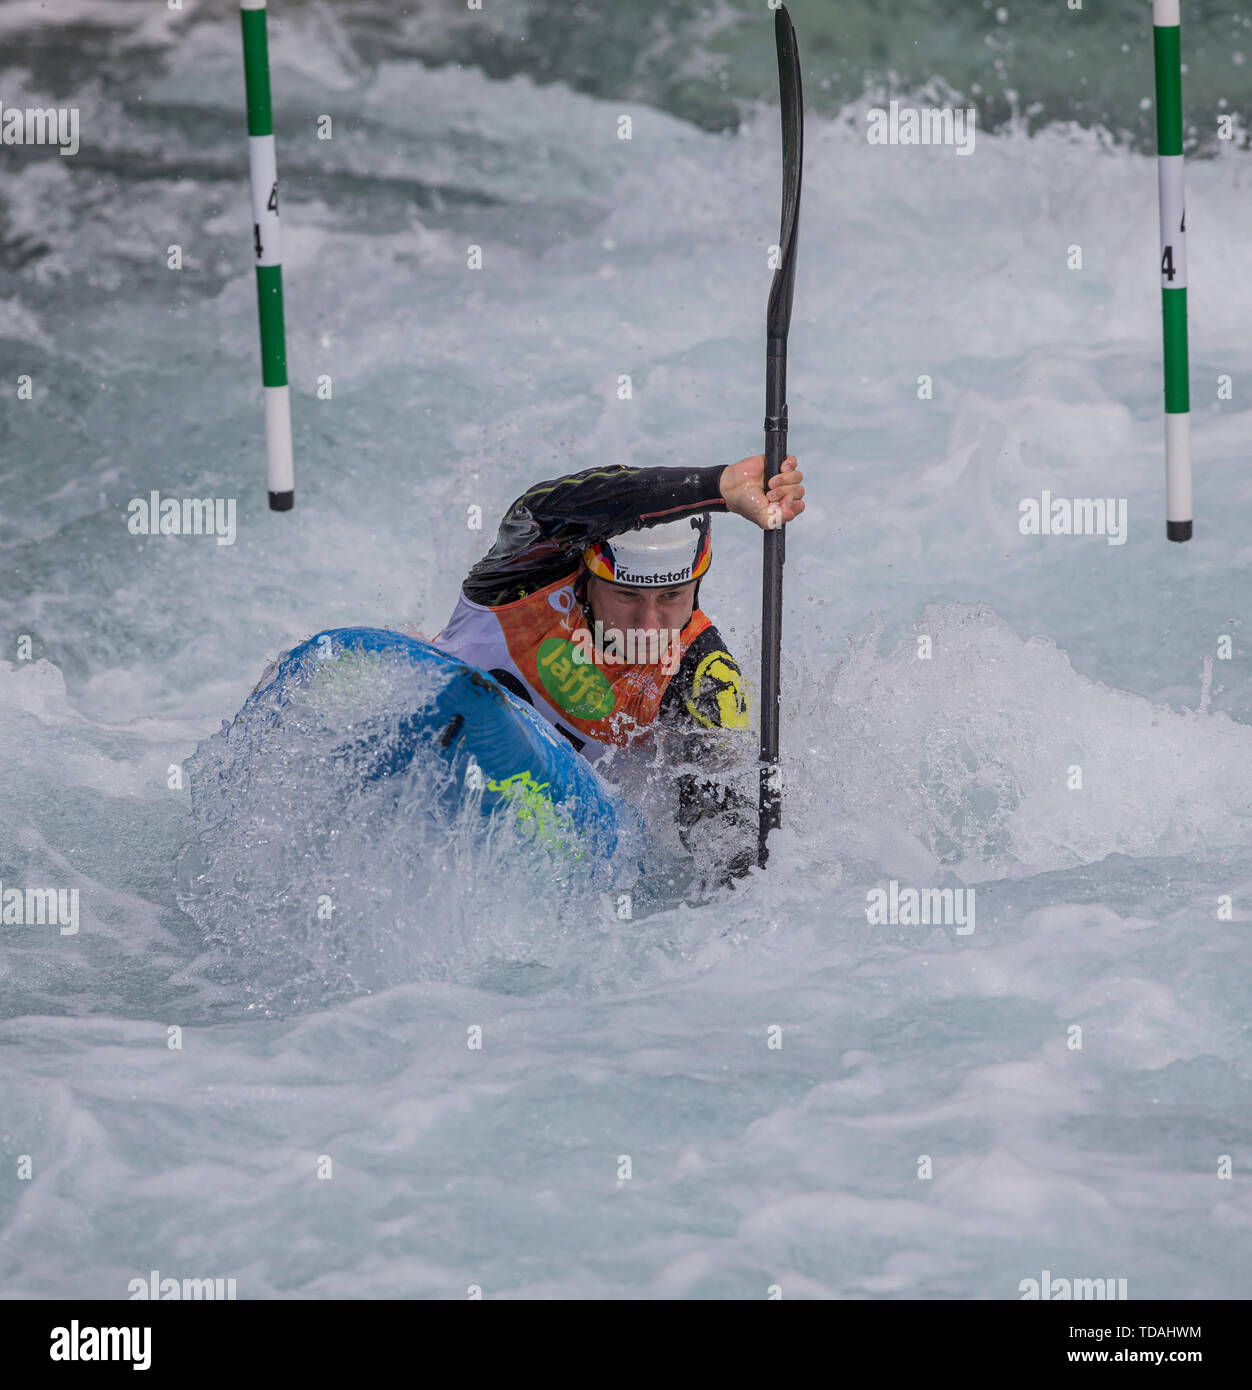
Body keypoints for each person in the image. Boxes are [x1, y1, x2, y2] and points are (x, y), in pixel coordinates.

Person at [433, 454, 805, 883]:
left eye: (671, 598)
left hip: (541, 847)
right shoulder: (526, 571)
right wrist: (718, 486)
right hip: (444, 732)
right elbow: (562, 502)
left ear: (698, 585)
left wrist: (743, 879)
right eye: (627, 595)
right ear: (588, 576)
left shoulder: (701, 674)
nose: (649, 625)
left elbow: (717, 823)